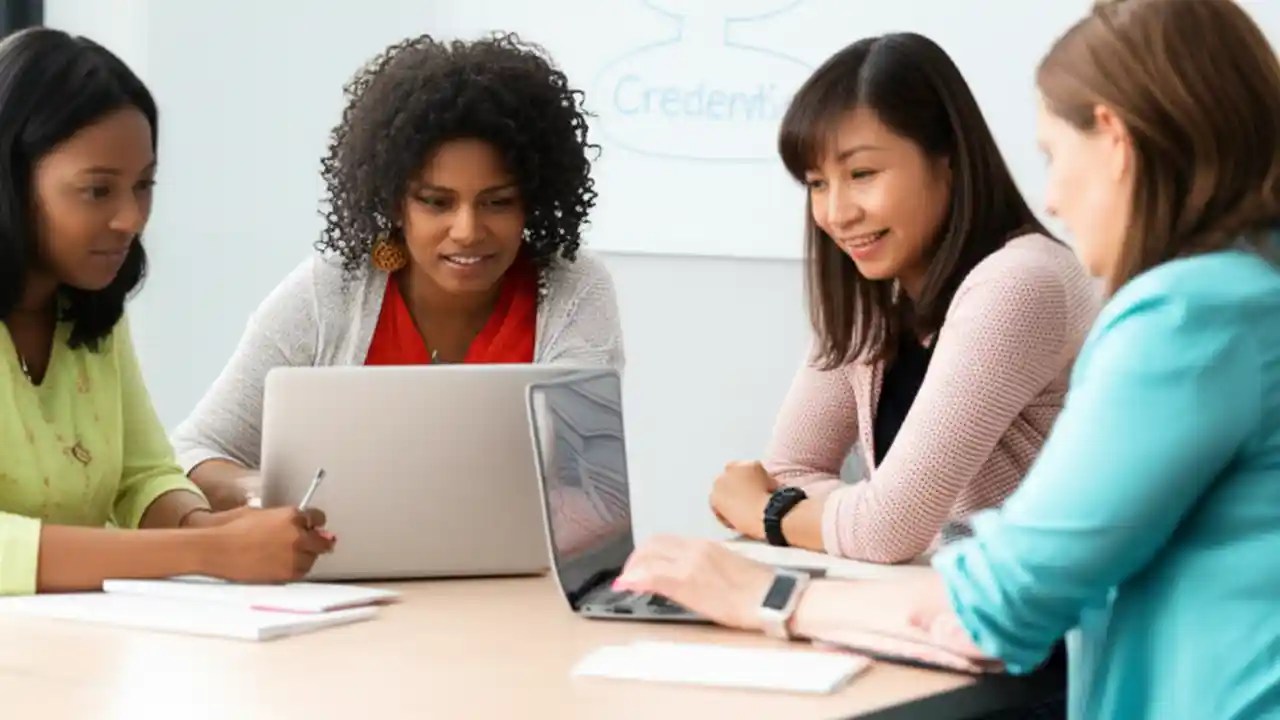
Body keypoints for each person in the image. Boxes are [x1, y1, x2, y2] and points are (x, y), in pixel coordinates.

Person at [617, 1, 1280, 718]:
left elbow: (1000, 595)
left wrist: (764, 594)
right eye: (817, 184)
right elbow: (805, 479)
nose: (1053, 199)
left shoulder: (1191, 315)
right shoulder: (1243, 296)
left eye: (1055, 156)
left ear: (1114, 141)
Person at [171, 33, 624, 509]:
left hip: (514, 561)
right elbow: (193, 452)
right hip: (341, 557)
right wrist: (272, 495)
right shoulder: (331, 291)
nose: (467, 230)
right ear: (394, 203)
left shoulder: (574, 290)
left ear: (532, 201)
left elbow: (596, 491)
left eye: (497, 202)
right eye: (436, 202)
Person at [708, 32, 1099, 563]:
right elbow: (793, 471)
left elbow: (885, 529)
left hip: (1030, 613)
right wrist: (857, 516)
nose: (837, 213)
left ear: (947, 159)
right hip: (920, 601)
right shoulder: (876, 296)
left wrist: (766, 512)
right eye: (817, 183)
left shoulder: (1022, 282)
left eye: (862, 174)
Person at [0, 28, 334, 596]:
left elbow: (142, 475)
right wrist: (210, 550)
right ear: (11, 181)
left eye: (143, 185)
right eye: (98, 191)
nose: (132, 219)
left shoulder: (88, 308)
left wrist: (211, 526)